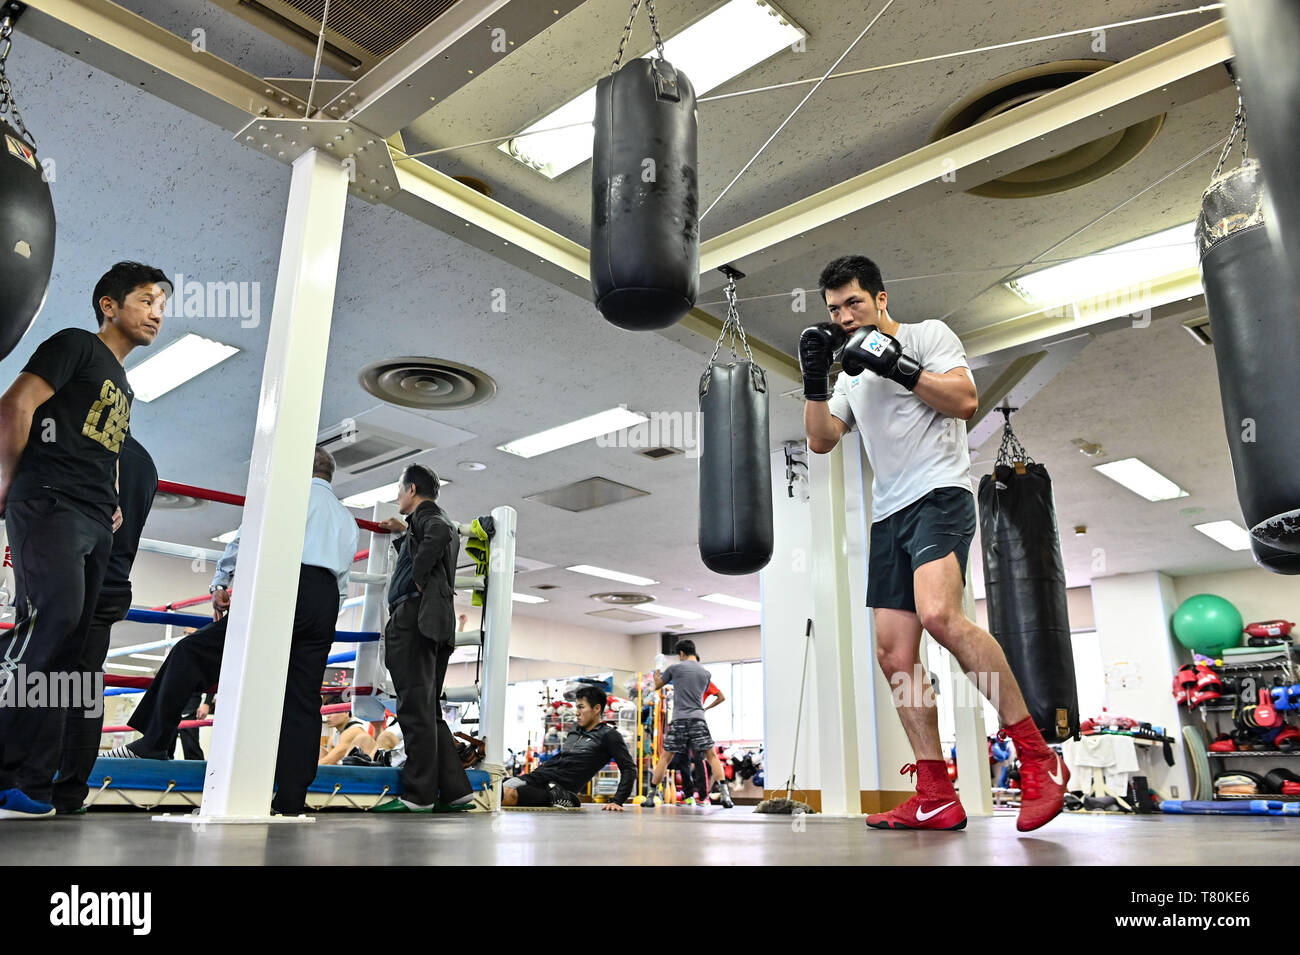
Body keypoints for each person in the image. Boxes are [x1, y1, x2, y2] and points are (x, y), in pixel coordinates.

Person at [799, 254, 1068, 832]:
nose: (845, 317)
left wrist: (898, 367)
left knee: (940, 616)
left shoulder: (928, 336)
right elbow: (821, 441)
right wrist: (814, 380)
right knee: (893, 654)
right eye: (835, 309)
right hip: (887, 516)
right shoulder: (849, 374)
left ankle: (1036, 756)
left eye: (854, 304)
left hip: (938, 494)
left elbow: (965, 402)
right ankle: (936, 792)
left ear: (880, 298)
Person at [0, 262, 167, 820]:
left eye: (162, 303)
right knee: (47, 624)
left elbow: (106, 451)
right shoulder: (75, 344)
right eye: (145, 300)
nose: (156, 312)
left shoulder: (124, 384)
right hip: (49, 500)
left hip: (92, 519)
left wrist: (111, 503)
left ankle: (27, 783)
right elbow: (17, 403)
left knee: (69, 655)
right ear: (108, 305)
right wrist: (5, 488)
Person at [107, 446, 358, 816]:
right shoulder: (347, 519)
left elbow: (246, 538)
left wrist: (221, 582)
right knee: (301, 698)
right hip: (324, 602)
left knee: (190, 652)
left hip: (286, 584)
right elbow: (343, 581)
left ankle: (155, 741)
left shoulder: (287, 493)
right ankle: (291, 799)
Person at [15, 431, 158, 812]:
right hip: (115, 581)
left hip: (75, 571)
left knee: (47, 675)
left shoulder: (81, 445)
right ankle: (70, 792)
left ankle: (34, 788)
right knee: (84, 683)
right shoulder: (146, 463)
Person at [371, 464, 473, 813]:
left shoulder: (432, 518)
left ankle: (418, 796)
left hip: (415, 620)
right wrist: (406, 536)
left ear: (411, 490)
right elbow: (432, 540)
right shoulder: (425, 523)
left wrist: (416, 577)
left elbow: (439, 533)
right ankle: (457, 791)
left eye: (400, 491)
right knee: (428, 711)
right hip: (433, 621)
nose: (398, 497)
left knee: (414, 709)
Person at [502, 685, 635, 810]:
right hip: (539, 776)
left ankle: (568, 798)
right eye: (576, 707)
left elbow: (629, 768)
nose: (577, 712)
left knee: (509, 796)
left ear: (597, 709)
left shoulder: (609, 735)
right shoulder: (574, 729)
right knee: (498, 790)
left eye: (581, 707)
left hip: (558, 788)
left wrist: (618, 801)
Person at [644, 641, 734, 809]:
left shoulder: (675, 669)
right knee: (711, 757)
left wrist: (657, 667)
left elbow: (656, 685)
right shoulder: (706, 673)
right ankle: (725, 796)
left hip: (679, 720)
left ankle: (650, 797)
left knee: (665, 757)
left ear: (682, 653)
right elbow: (703, 694)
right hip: (698, 719)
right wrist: (703, 709)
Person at [178, 691, 216, 760]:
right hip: (169, 709)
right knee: (164, 750)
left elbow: (212, 683)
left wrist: (207, 703)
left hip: (190, 710)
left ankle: (198, 770)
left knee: (191, 748)